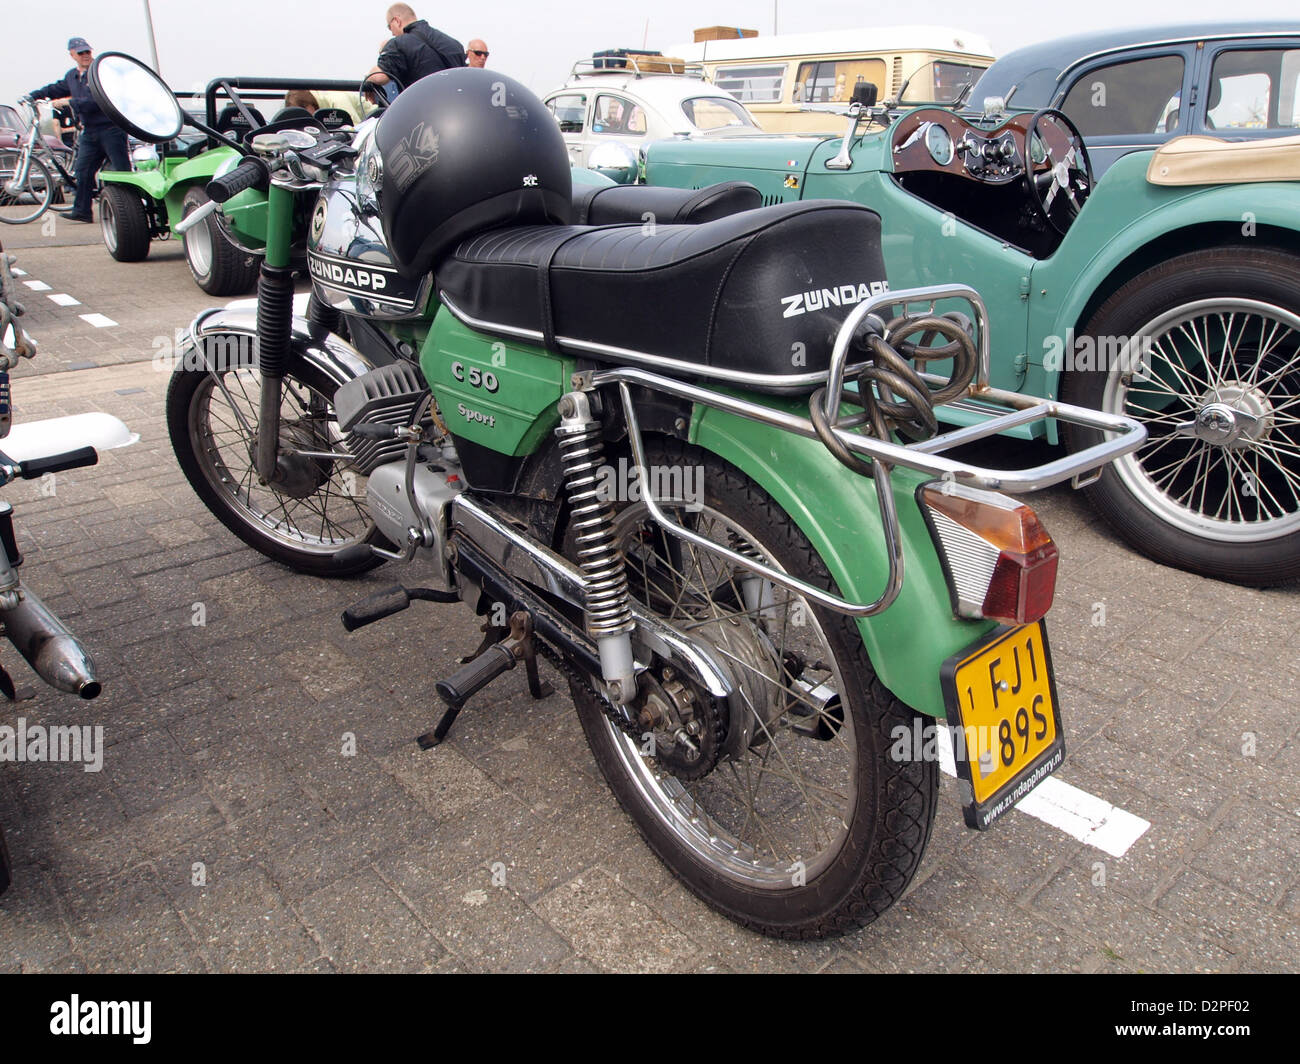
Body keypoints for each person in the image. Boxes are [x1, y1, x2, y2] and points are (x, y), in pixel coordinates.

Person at [25, 37, 128, 223]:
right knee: (83, 171)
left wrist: (69, 102)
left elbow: (97, 101)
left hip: (110, 129)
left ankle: (131, 209)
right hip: (90, 131)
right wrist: (33, 95)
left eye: (87, 52)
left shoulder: (100, 73)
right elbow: (56, 88)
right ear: (72, 55)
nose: (85, 56)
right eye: (80, 53)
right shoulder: (71, 76)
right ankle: (82, 211)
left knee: (121, 170)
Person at [365, 4, 465, 96]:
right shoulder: (455, 45)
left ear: (397, 21)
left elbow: (379, 76)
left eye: (389, 27)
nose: (392, 33)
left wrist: (367, 78)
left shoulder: (398, 44)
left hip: (423, 112)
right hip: (459, 110)